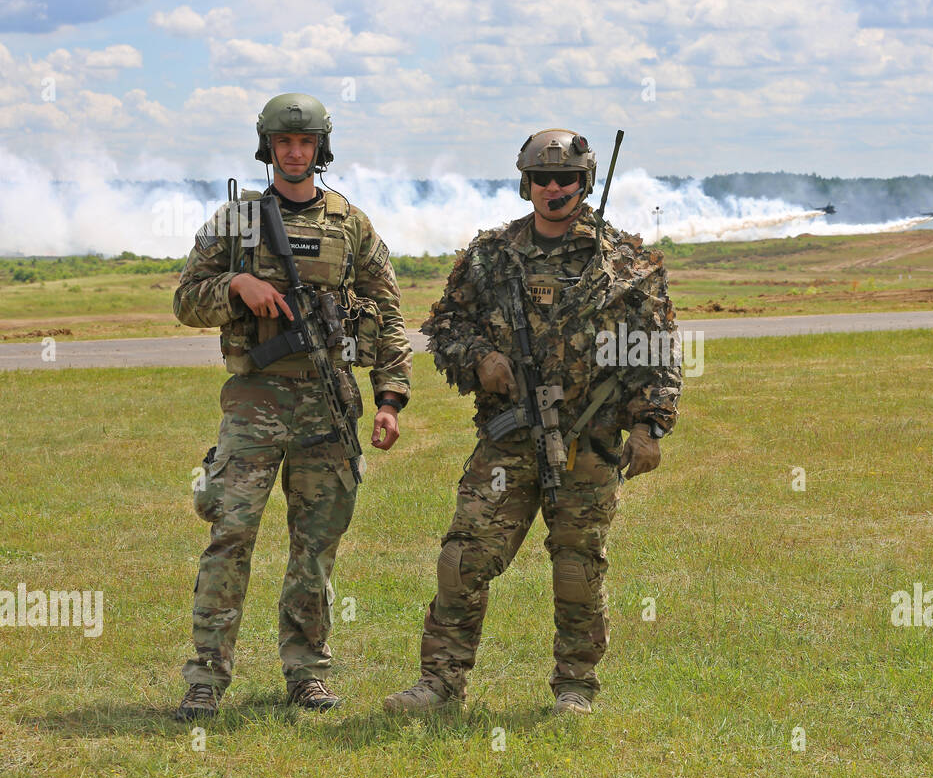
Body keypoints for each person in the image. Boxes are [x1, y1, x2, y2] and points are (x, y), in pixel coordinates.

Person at [384, 128, 681, 716]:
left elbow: (656, 350)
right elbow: (443, 326)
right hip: (509, 441)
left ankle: (575, 686)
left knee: (578, 567)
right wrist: (480, 358)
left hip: (589, 443)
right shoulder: (491, 256)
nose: (554, 188)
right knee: (463, 558)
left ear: (585, 182)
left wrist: (650, 427)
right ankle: (440, 686)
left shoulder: (624, 263)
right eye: (542, 178)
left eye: (566, 179)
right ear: (526, 183)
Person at [172, 92, 412, 719]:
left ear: (321, 149)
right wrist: (235, 285)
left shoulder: (349, 223)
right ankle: (205, 678)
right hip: (254, 402)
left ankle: (306, 672)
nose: (295, 152)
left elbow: (386, 313)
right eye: (284, 142)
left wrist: (390, 399)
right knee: (230, 535)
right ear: (268, 147)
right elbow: (186, 299)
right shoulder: (238, 221)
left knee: (315, 547)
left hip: (327, 406)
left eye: (305, 143)